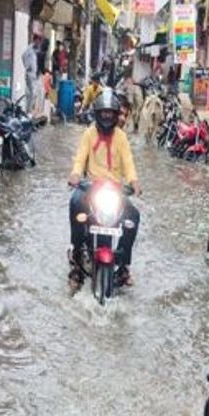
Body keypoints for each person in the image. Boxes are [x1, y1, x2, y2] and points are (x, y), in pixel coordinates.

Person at [66, 90, 142, 288]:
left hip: (114, 191)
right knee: (75, 204)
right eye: (103, 113)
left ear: (117, 116)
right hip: (91, 187)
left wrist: (134, 181)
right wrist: (75, 175)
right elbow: (80, 158)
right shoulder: (89, 133)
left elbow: (128, 162)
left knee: (133, 217)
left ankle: (124, 265)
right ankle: (76, 257)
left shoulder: (122, 137)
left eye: (111, 113)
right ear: (97, 114)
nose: (107, 117)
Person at [22, 33, 41, 117]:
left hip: (33, 74)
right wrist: (27, 66)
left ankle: (29, 111)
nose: (39, 43)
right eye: (38, 41)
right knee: (31, 93)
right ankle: (28, 112)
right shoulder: (30, 48)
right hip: (29, 74)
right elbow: (23, 56)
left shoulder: (35, 49)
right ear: (35, 40)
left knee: (33, 93)